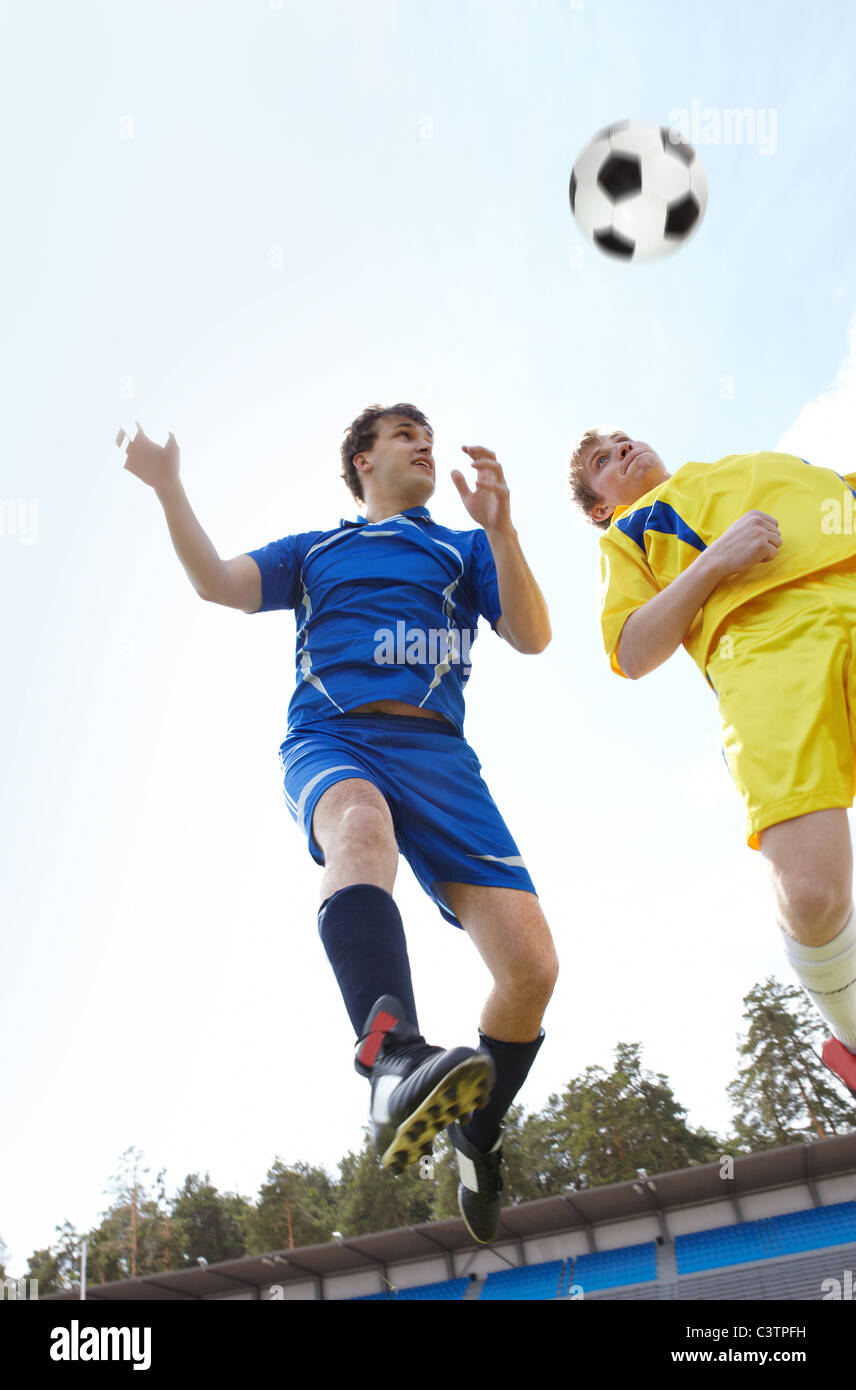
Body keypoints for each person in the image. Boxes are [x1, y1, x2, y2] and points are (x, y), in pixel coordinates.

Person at [122, 405, 559, 1243]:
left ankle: (479, 1133)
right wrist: (169, 487)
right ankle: (390, 1056)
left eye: (427, 435)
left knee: (533, 970)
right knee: (359, 825)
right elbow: (215, 581)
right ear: (362, 461)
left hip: (440, 757)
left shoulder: (463, 549)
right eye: (404, 436)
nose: (424, 445)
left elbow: (533, 636)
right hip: (335, 738)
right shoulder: (316, 552)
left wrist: (502, 531)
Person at [569, 429, 856, 1098]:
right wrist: (716, 562)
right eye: (602, 461)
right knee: (812, 894)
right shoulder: (628, 536)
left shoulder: (763, 463)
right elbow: (633, 650)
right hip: (762, 644)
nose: (623, 450)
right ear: (597, 509)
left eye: (623, 440)